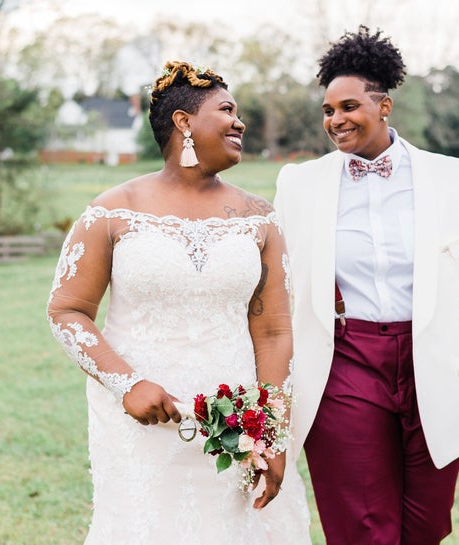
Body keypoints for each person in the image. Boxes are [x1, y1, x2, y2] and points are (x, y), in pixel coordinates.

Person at [274, 27, 459, 545]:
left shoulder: (455, 179)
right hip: (344, 364)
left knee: (425, 527)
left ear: (385, 105)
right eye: (328, 111)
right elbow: (280, 294)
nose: (335, 120)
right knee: (363, 529)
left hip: (434, 366)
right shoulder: (299, 185)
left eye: (349, 106)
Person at [47, 61, 311, 544]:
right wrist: (124, 382)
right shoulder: (111, 210)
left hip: (237, 427)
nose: (240, 122)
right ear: (184, 122)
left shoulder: (260, 217)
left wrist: (273, 434)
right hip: (142, 423)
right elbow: (66, 310)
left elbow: (274, 332)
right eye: (227, 110)